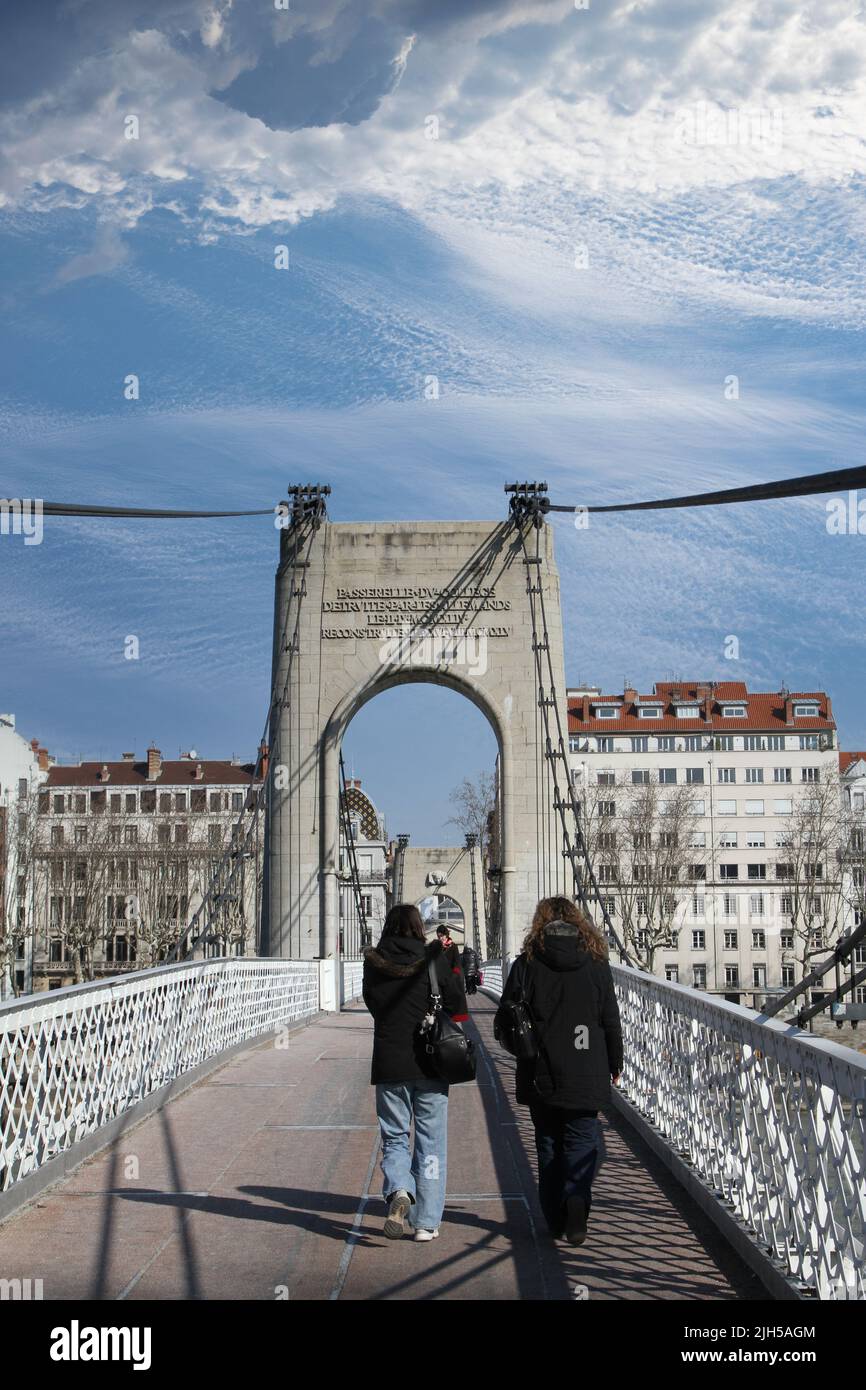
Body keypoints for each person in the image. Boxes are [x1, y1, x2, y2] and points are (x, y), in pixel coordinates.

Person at [497, 895, 623, 1246]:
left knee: (549, 1143)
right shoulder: (598, 963)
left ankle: (554, 1220)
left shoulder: (527, 964)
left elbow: (506, 1017)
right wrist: (615, 1063)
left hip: (542, 1070)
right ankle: (577, 1199)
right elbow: (610, 1021)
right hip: (588, 1066)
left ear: (540, 924)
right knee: (583, 1139)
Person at [363, 903, 469, 1242]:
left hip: (390, 1065)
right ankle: (425, 1223)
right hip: (430, 1063)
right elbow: (457, 1004)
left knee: (394, 1137)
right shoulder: (433, 958)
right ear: (418, 927)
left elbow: (374, 1006)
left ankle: (400, 1189)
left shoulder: (373, 964)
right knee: (431, 1143)